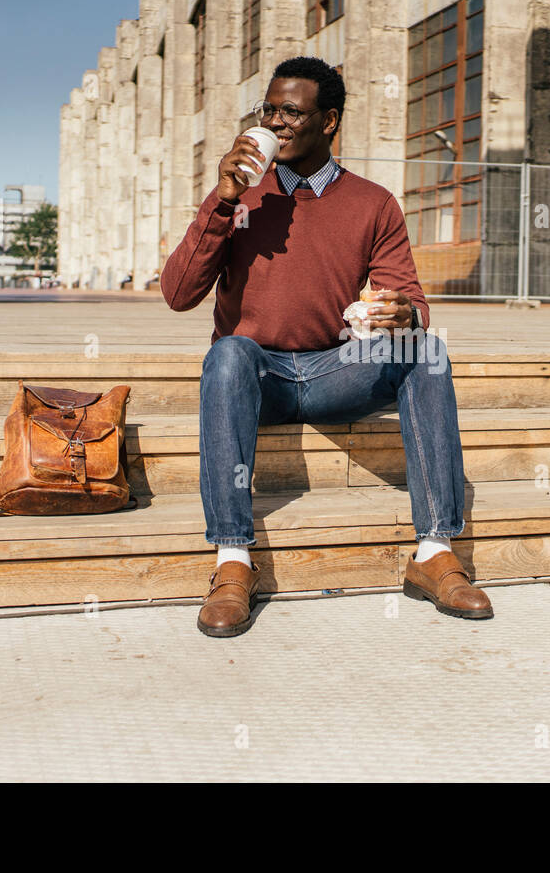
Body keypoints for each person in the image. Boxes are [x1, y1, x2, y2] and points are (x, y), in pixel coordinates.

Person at [161, 55, 491, 637]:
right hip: (256, 375)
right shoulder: (241, 195)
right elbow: (179, 294)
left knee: (427, 350)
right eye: (269, 110)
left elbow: (410, 298)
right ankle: (233, 563)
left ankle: (435, 550)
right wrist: (222, 199)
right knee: (228, 351)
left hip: (334, 369)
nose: (277, 122)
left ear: (329, 121)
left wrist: (404, 312)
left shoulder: (373, 202)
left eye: (292, 111)